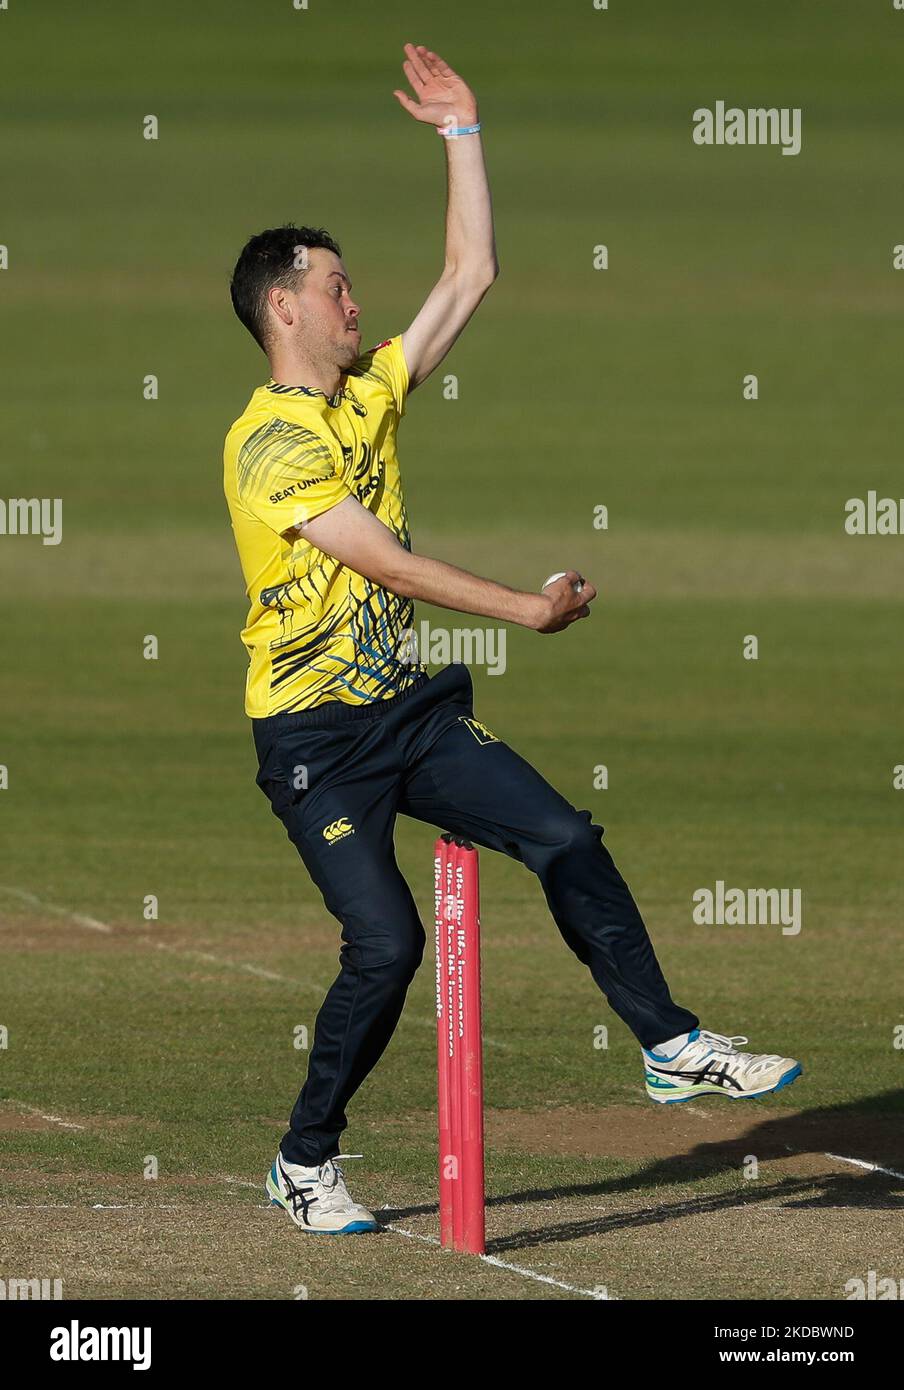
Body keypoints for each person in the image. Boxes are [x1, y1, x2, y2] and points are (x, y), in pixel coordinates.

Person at [223, 44, 801, 1235]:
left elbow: (471, 271)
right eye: (336, 287)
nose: (356, 303)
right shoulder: (267, 443)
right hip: (315, 738)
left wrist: (462, 132)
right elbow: (378, 561)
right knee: (384, 944)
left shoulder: (368, 394)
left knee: (563, 834)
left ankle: (667, 1040)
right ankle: (304, 1158)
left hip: (410, 711)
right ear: (283, 304)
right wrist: (525, 609)